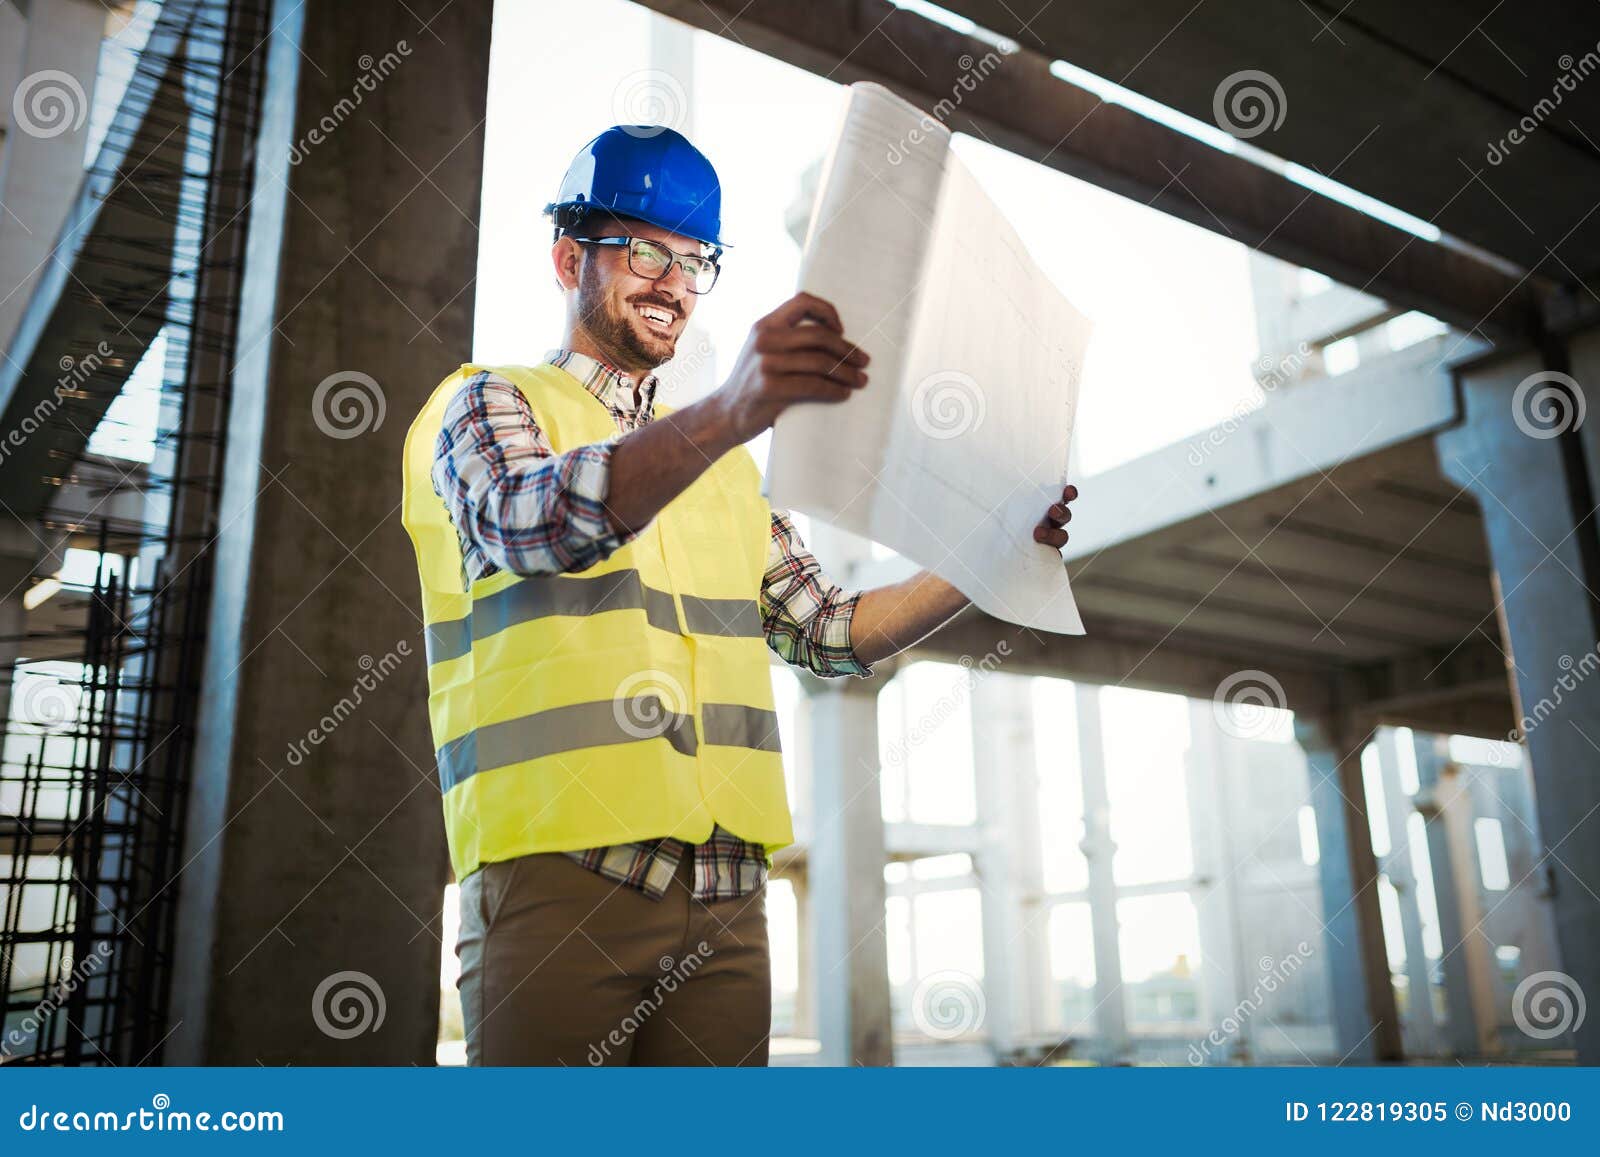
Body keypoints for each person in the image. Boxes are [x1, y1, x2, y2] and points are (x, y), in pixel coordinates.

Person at [399, 125, 1077, 1065]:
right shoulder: (490, 402)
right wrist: (729, 411)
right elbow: (532, 522)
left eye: (693, 260)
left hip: (725, 895)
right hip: (562, 880)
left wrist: (990, 556)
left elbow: (829, 631)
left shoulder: (721, 465)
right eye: (644, 250)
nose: (672, 281)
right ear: (569, 259)